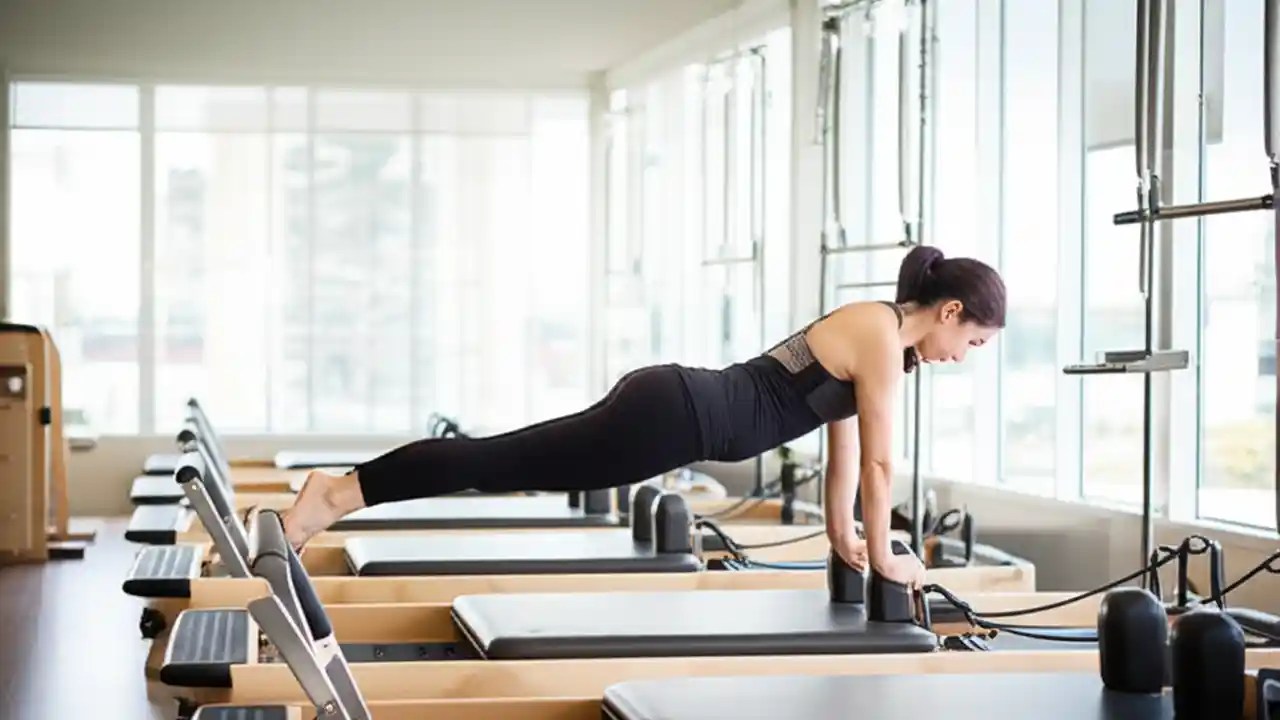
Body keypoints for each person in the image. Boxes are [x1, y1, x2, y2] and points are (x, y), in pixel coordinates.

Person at [282, 245, 1006, 589]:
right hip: (676, 416)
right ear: (948, 312)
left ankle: (334, 494)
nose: (962, 356)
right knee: (495, 461)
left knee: (500, 459)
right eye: (971, 341)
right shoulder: (879, 336)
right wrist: (883, 556)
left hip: (673, 406)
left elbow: (846, 451)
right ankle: (334, 495)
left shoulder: (880, 338)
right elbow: (883, 464)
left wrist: (848, 536)